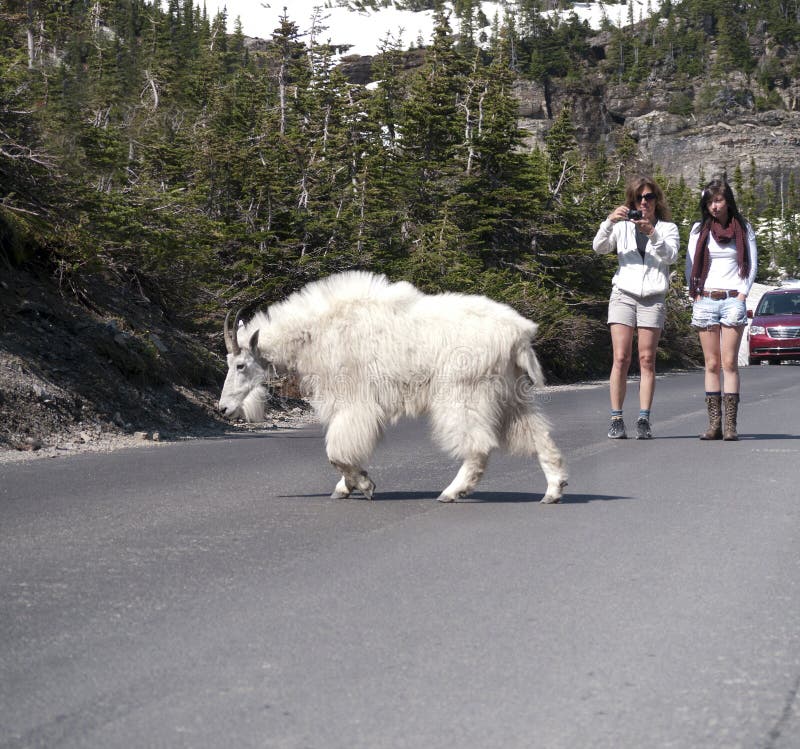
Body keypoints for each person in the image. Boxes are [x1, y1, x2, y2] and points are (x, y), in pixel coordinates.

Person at [593, 176, 680, 440]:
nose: (644, 203)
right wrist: (609, 221)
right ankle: (616, 418)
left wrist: (651, 233)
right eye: (639, 198)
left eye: (649, 197)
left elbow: (671, 256)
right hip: (623, 295)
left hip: (652, 298)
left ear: (656, 200)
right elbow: (599, 247)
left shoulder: (667, 228)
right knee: (621, 358)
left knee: (647, 359)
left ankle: (644, 418)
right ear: (632, 201)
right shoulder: (621, 228)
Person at [686, 176, 757, 441]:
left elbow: (751, 264)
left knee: (729, 362)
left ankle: (731, 426)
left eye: (718, 200)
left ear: (728, 201)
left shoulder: (743, 228)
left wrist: (742, 295)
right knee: (711, 363)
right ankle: (714, 425)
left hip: (732, 300)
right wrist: (694, 293)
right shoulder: (698, 230)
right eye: (710, 202)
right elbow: (690, 264)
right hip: (705, 299)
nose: (714, 206)